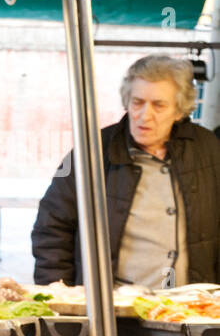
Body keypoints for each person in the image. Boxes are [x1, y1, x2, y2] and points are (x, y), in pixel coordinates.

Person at [33, 54, 220, 288]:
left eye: (159, 105)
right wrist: (59, 294)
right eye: (138, 102)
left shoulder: (209, 149)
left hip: (187, 311)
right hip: (115, 314)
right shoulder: (93, 151)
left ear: (179, 111)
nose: (145, 115)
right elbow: (52, 226)